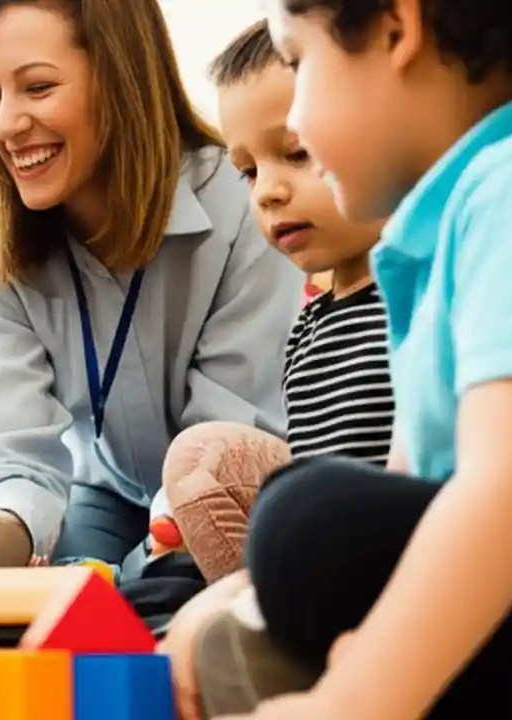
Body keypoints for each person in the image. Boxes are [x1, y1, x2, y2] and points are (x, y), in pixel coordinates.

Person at [200, 1, 512, 718]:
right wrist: (235, 606)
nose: (296, 118)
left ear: (399, 30)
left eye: (299, 64)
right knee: (303, 521)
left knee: (309, 521)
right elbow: (410, 485)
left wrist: (355, 701)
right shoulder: (438, 230)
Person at [0, 0, 303, 573]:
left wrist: (127, 575)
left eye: (37, 87)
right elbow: (11, 453)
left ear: (120, 80)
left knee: (153, 598)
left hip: (229, 491)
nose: (4, 123)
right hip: (101, 493)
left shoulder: (244, 201)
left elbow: (226, 448)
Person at [156, 21, 393, 718]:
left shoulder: (414, 293)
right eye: (249, 172)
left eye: (295, 155)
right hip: (325, 566)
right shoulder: (310, 323)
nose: (267, 192)